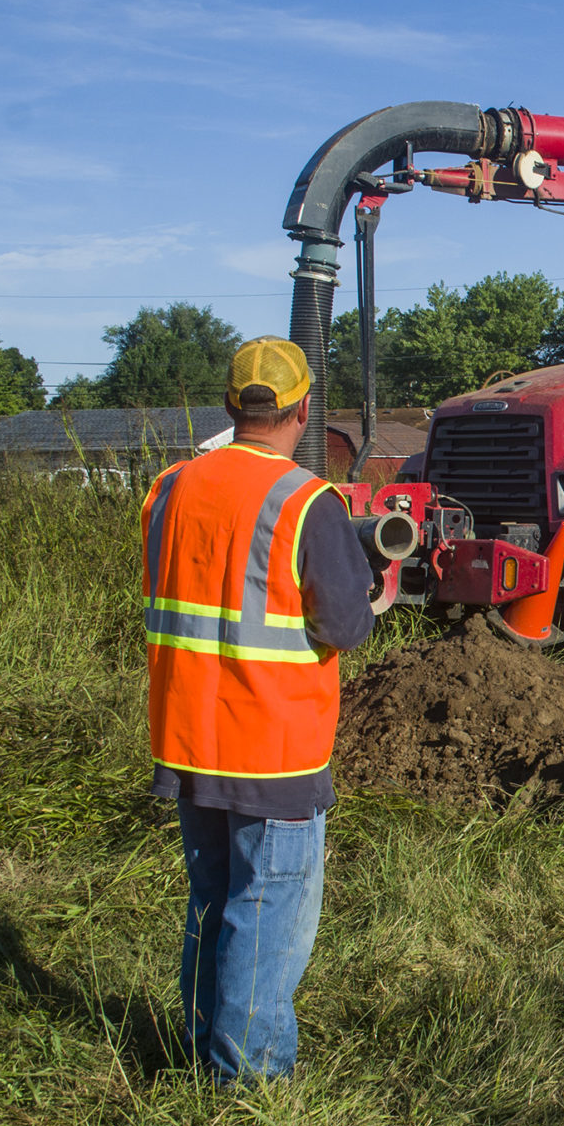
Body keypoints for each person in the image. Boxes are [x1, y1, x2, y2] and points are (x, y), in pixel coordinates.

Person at [142, 337, 392, 1083]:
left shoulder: (169, 487)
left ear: (230, 404)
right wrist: (375, 593)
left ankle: (196, 1049)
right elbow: (342, 625)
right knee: (267, 914)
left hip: (189, 741)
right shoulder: (305, 501)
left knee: (212, 900)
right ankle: (245, 1083)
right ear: (303, 409)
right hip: (274, 749)